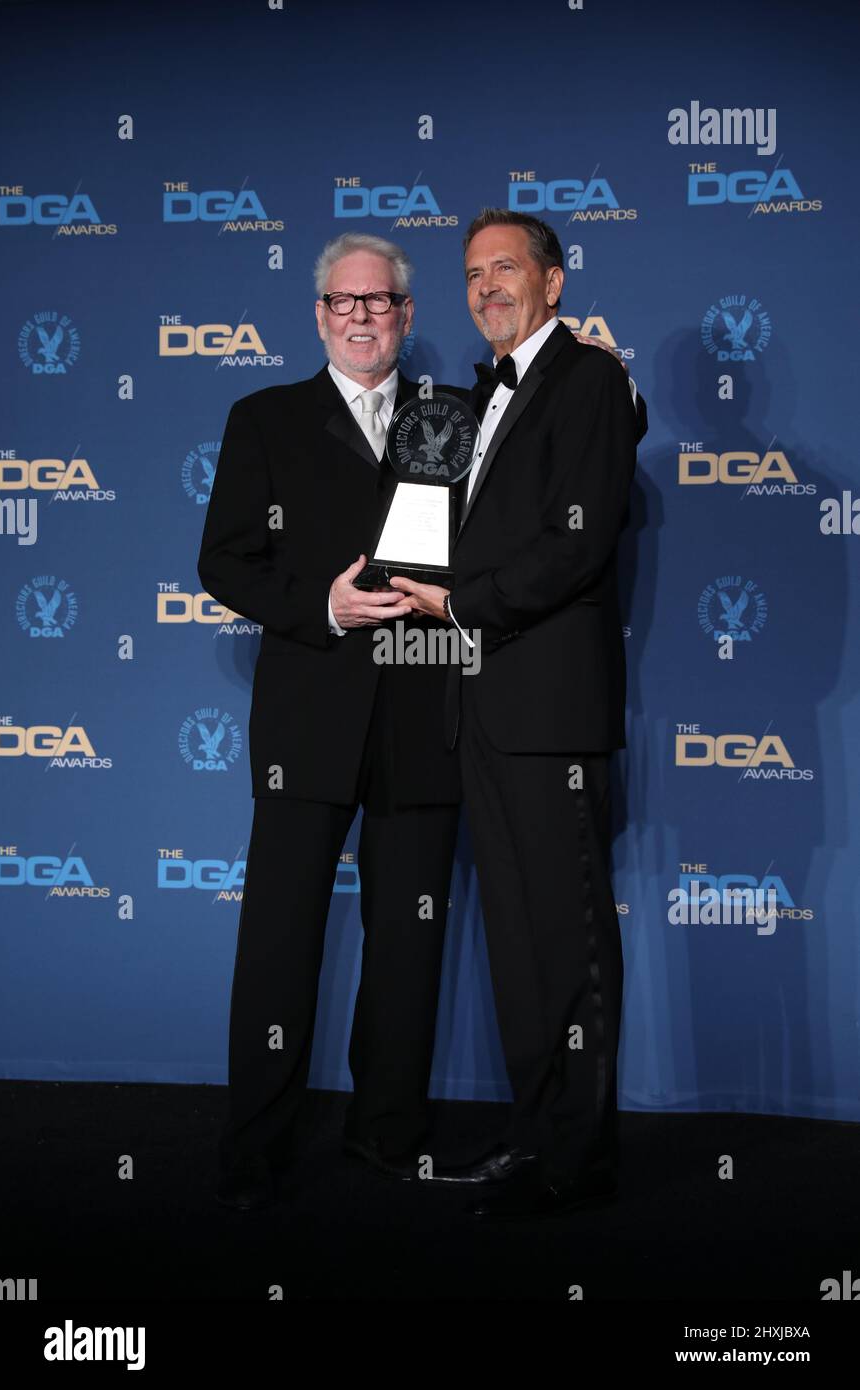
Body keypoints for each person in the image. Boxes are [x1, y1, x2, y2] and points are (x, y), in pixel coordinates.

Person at [198, 232, 467, 1211]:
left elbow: (502, 527)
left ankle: (387, 1133)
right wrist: (322, 606)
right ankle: (257, 1145)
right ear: (318, 315)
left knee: (408, 938)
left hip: (423, 700)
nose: (362, 315)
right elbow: (224, 561)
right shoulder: (264, 418)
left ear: (405, 315)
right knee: (278, 936)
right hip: (309, 712)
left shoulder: (448, 421)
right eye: (344, 301)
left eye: (381, 301)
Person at [390, 208, 648, 1220]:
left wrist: (457, 604)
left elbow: (574, 546)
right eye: (471, 273)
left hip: (550, 714)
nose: (485, 286)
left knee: (567, 944)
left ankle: (575, 1161)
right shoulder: (475, 399)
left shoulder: (587, 380)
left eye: (505, 268)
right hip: (481, 706)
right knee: (517, 943)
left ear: (552, 282)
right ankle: (537, 1138)